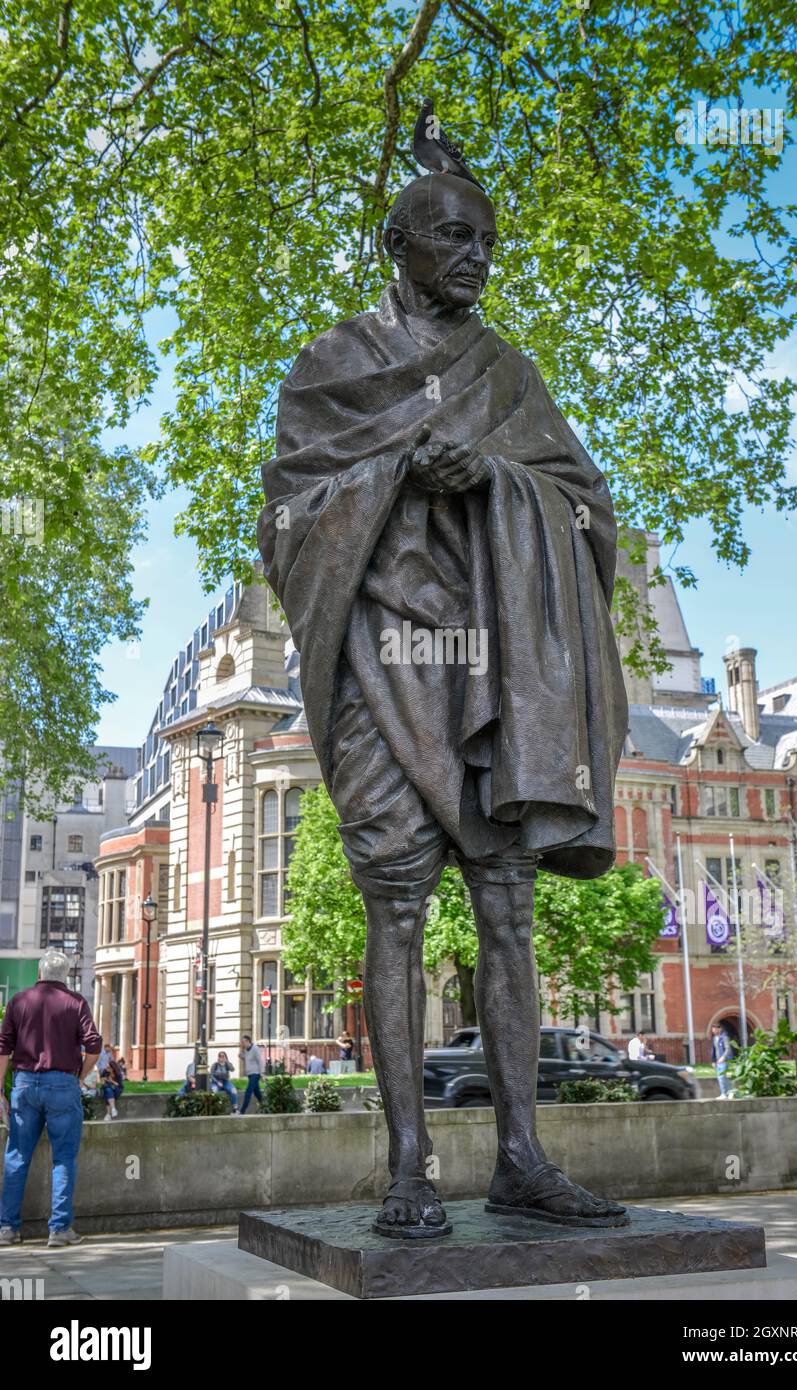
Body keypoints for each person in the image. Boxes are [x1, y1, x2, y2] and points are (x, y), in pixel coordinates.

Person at [258, 101, 628, 1237]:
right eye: (454, 237)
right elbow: (285, 521)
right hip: (385, 662)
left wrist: (495, 482)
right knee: (396, 904)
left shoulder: (508, 374)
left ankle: (522, 1156)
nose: (474, 258)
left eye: (487, 243)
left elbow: (586, 508)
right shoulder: (333, 366)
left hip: (489, 677)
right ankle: (408, 1167)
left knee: (507, 908)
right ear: (399, 246)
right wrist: (393, 477)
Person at [0, 949, 102, 1247]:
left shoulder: (19, 1000)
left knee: (17, 1157)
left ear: (40, 973)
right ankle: (59, 1229)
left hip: (25, 1084)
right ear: (66, 976)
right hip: (62, 1083)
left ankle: (7, 1228)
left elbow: (3, 1048)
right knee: (64, 1158)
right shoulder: (76, 1002)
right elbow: (93, 1045)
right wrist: (79, 1078)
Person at [239, 1035, 264, 1114]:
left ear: (247, 1041)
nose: (242, 1044)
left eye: (243, 1042)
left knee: (248, 1092)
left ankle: (242, 1111)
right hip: (250, 1074)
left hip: (255, 1074)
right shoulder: (246, 1050)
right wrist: (241, 1053)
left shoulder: (255, 1049)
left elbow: (260, 1061)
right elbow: (245, 1058)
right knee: (257, 1093)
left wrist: (262, 1074)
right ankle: (266, 1107)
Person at [99, 1045, 125, 1121]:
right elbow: (102, 1082)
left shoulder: (118, 1074)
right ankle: (113, 1109)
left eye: (108, 1067)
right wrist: (104, 1080)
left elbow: (119, 1085)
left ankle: (108, 1114)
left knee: (108, 1093)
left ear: (112, 1068)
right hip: (107, 1087)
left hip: (117, 1088)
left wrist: (111, 1081)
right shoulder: (105, 1072)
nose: (106, 1068)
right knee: (107, 1090)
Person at [711, 1024, 735, 1097]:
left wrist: (723, 1058)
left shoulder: (724, 1037)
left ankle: (723, 1093)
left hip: (725, 1060)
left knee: (721, 1077)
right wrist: (713, 1060)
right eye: (713, 1029)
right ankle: (731, 1091)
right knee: (721, 1077)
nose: (713, 1030)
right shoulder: (714, 1038)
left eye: (715, 1029)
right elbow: (714, 1050)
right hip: (718, 1061)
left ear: (719, 1029)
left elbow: (728, 1049)